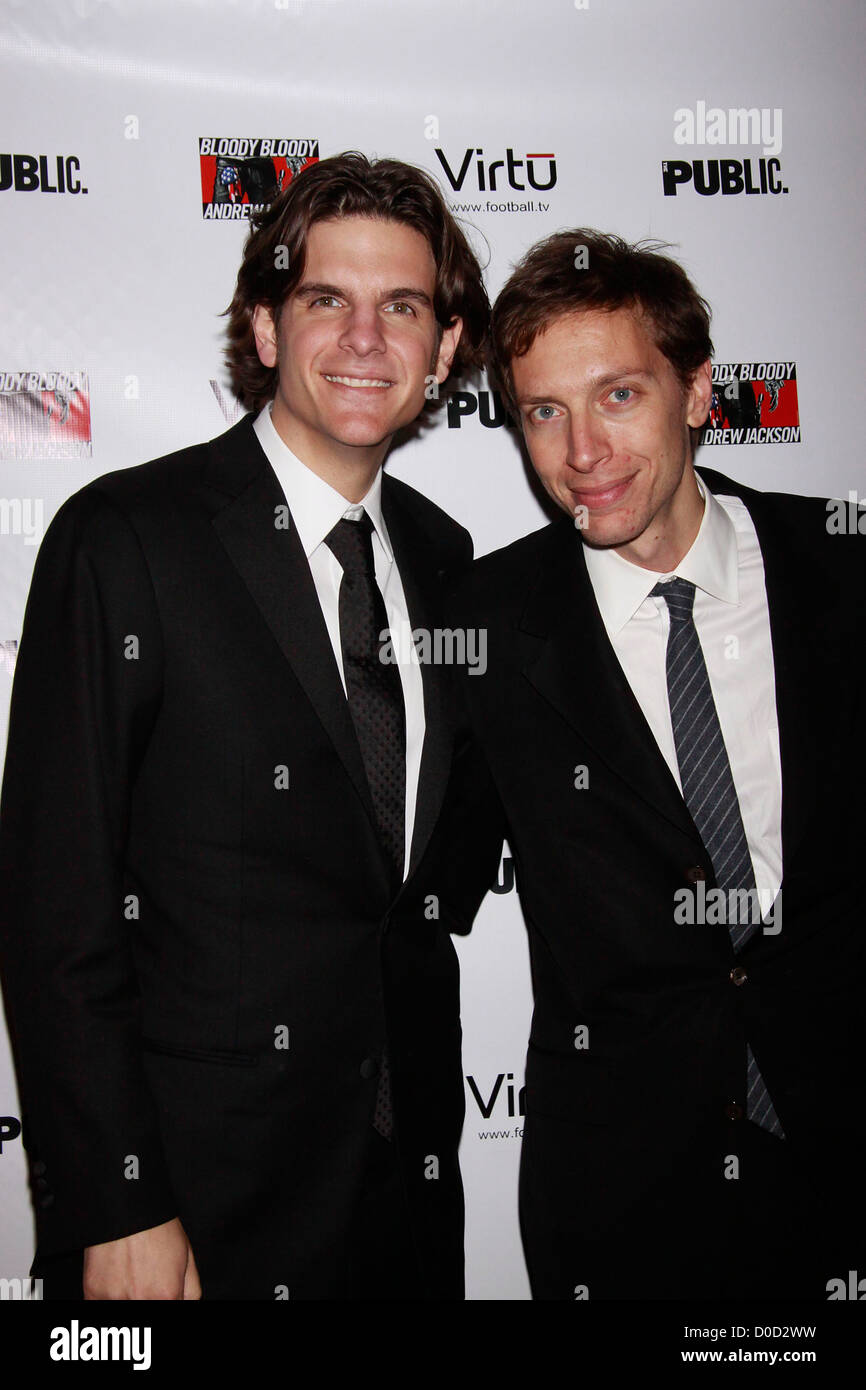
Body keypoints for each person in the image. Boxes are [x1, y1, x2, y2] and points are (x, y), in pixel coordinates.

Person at [0, 152, 489, 1300]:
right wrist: (117, 1202)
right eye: (327, 300)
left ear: (446, 348)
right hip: (189, 1209)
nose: (365, 338)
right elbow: (53, 898)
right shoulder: (125, 535)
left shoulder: (448, 561)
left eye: (402, 307)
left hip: (401, 1203)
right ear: (267, 329)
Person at [444, 228, 866, 1299]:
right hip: (624, 1201)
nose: (581, 450)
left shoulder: (842, 565)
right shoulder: (486, 629)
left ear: (696, 389)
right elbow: (402, 892)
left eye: (618, 394)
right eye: (543, 410)